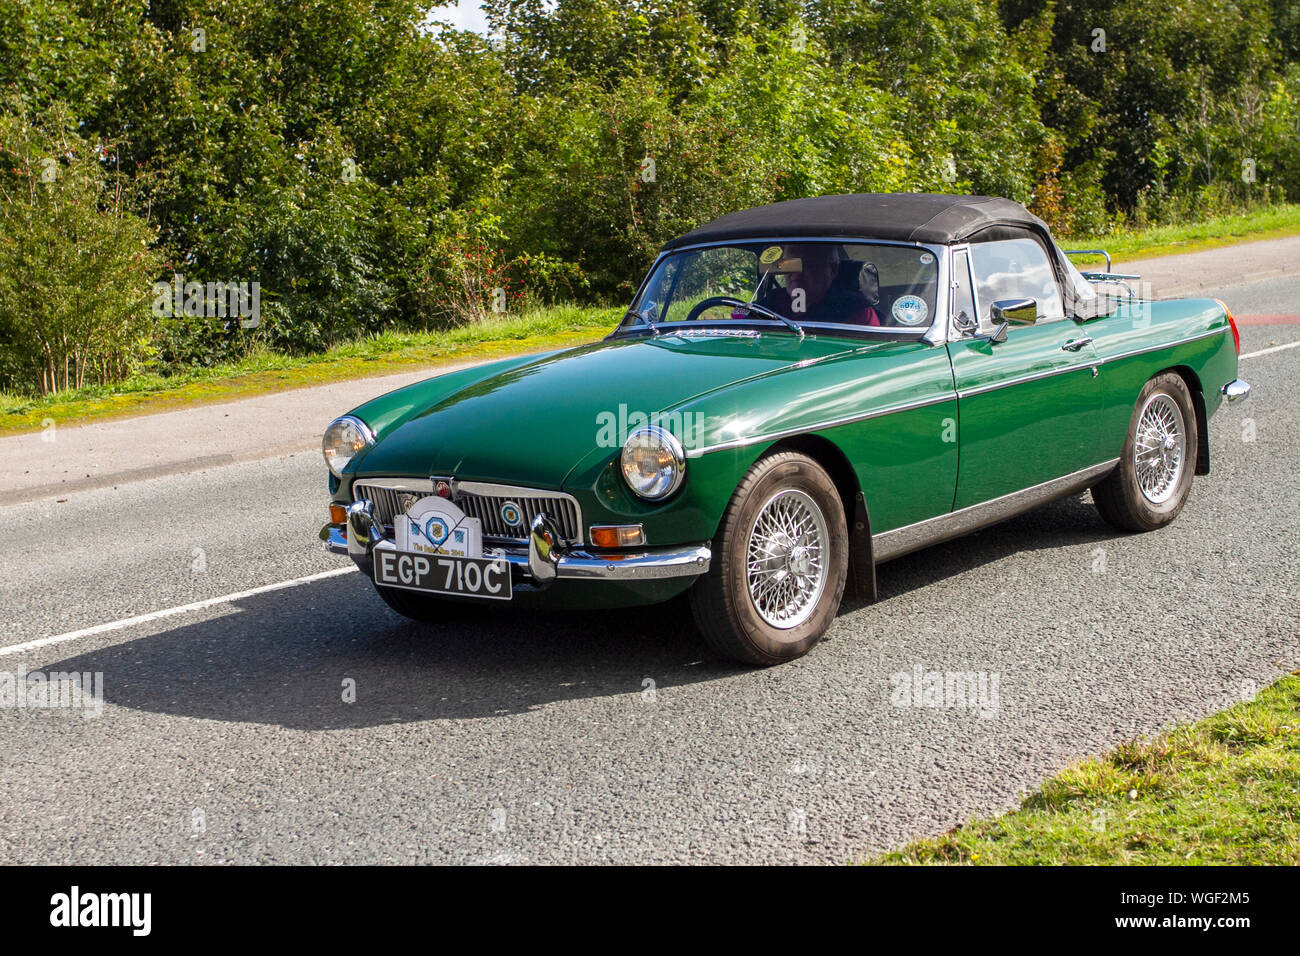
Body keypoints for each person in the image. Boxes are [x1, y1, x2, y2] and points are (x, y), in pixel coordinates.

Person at [764, 244, 881, 325]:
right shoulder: (773, 301)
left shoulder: (856, 311)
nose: (796, 273)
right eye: (789, 265)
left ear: (833, 269)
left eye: (808, 264)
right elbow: (746, 317)